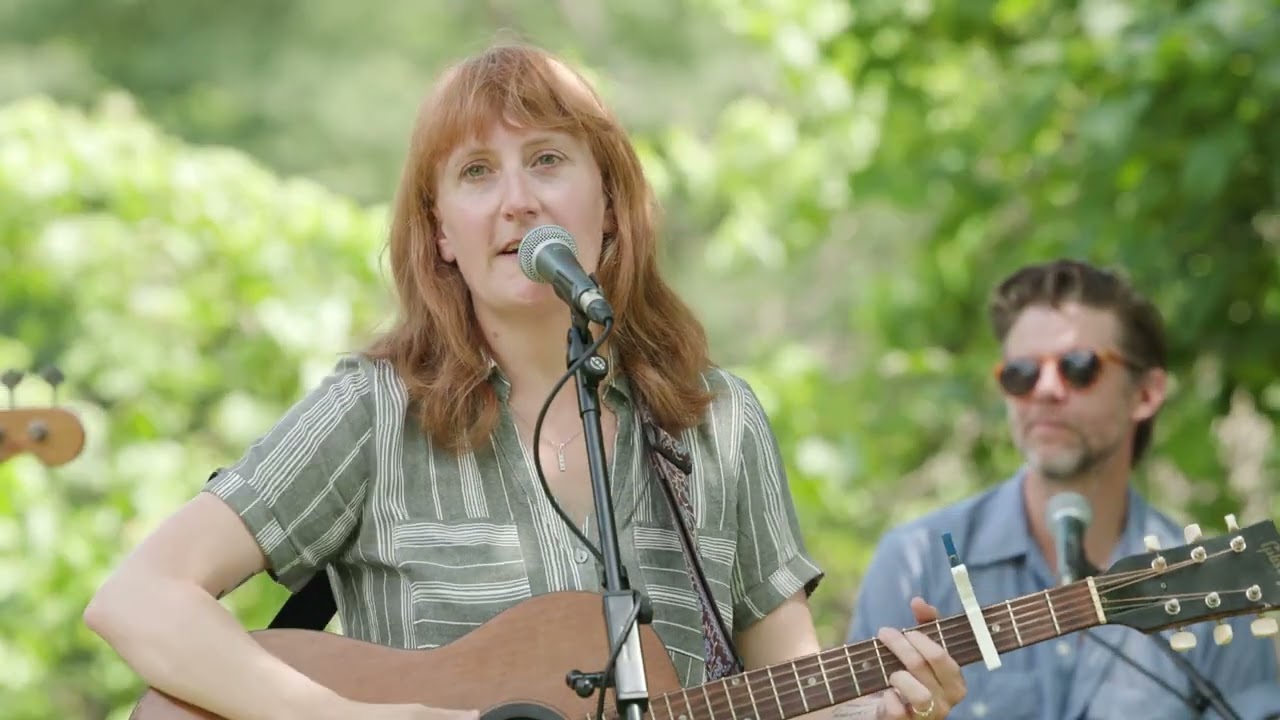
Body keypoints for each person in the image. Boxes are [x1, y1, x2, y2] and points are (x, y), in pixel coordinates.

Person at [84, 42, 967, 720]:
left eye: (548, 160)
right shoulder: (373, 411)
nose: (518, 201)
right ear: (439, 235)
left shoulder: (716, 422)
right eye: (477, 173)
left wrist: (889, 706)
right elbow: (136, 599)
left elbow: (787, 686)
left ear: (610, 206)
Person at [845, 259, 1280, 720]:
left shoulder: (1214, 582)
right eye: (1021, 373)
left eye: (1078, 366)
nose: (1045, 389)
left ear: (1146, 393)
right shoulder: (915, 562)